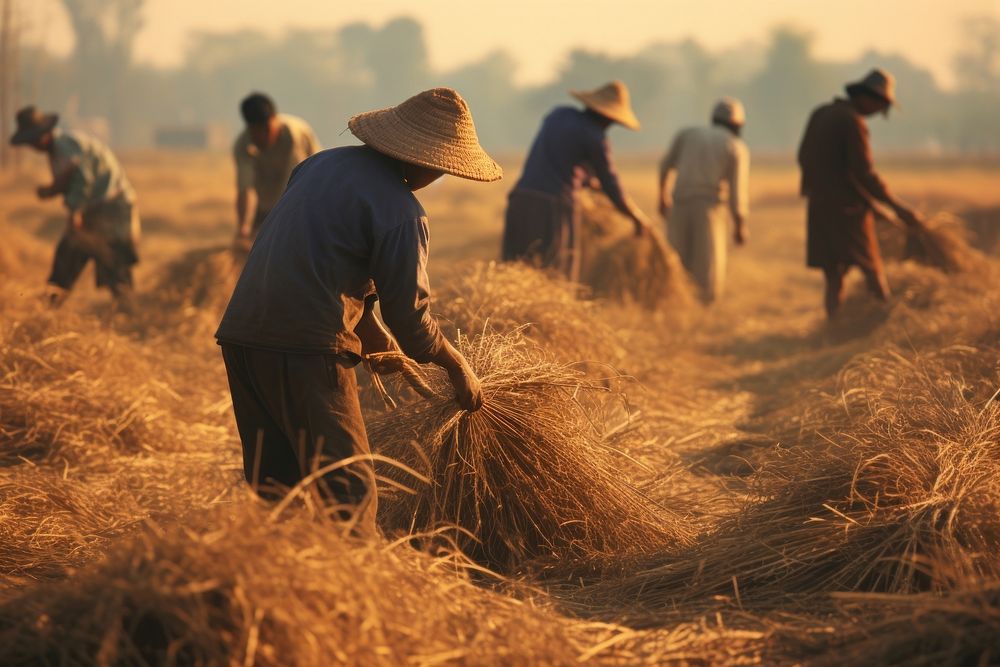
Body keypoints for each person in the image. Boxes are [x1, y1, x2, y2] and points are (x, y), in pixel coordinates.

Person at [215, 87, 501, 535]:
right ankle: (355, 577)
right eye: (442, 168)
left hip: (242, 336)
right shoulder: (402, 212)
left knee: (275, 490)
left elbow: (320, 256)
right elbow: (411, 320)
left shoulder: (317, 165)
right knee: (350, 493)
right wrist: (456, 364)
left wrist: (368, 327)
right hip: (307, 348)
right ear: (427, 162)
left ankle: (270, 571)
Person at [798, 68, 923, 319]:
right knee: (872, 270)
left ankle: (832, 327)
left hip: (819, 206)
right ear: (867, 97)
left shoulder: (821, 113)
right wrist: (898, 207)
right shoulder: (852, 121)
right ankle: (887, 324)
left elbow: (805, 158)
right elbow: (864, 173)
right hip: (847, 212)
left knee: (834, 277)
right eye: (880, 106)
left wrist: (872, 205)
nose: (878, 112)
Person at [502, 81, 649, 281]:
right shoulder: (596, 138)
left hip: (521, 198)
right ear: (607, 117)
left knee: (513, 270)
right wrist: (636, 217)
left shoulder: (558, 114)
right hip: (552, 207)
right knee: (553, 273)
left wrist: (586, 181)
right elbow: (610, 183)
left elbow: (559, 156)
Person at [8, 106, 140, 312]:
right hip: (96, 208)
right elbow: (72, 179)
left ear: (43, 136)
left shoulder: (64, 148)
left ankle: (129, 313)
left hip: (111, 208)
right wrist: (53, 189)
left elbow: (82, 179)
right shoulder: (60, 149)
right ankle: (50, 308)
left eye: (32, 141)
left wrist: (75, 211)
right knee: (67, 258)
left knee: (113, 265)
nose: (32, 147)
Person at [658, 97, 750, 303]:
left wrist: (662, 197)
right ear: (737, 125)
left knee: (676, 259)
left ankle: (674, 303)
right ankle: (701, 307)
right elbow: (737, 191)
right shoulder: (735, 146)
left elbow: (664, 166)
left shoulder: (687, 134)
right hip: (709, 209)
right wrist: (740, 224)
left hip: (679, 203)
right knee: (707, 265)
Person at [233, 92, 320, 249]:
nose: (263, 137)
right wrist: (244, 228)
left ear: (275, 119)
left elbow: (294, 188)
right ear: (250, 128)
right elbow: (246, 189)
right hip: (266, 207)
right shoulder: (243, 144)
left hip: (305, 202)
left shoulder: (293, 135)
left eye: (267, 129)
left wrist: (275, 228)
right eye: (256, 131)